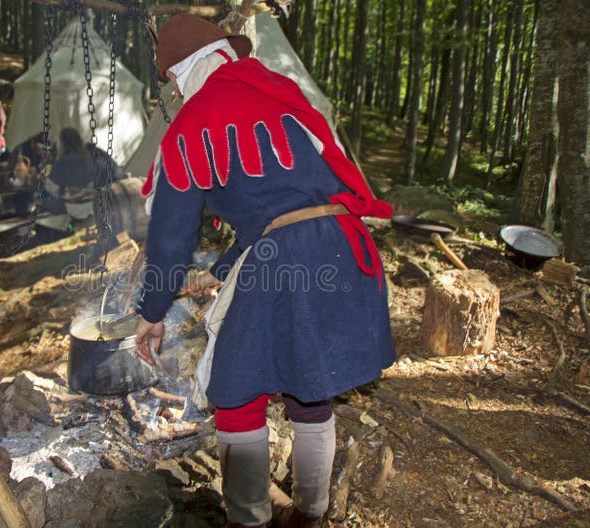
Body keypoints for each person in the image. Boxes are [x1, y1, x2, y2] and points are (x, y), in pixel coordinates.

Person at [133, 14, 395, 528]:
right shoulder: (279, 91)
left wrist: (152, 311)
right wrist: (227, 268)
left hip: (289, 258)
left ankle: (249, 520)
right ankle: (310, 514)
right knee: (310, 386)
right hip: (344, 245)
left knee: (235, 390)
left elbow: (171, 240)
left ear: (182, 72)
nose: (173, 90)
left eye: (170, 80)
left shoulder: (193, 122)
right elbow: (283, 202)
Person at [42, 127, 123, 217]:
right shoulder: (93, 154)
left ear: (62, 144)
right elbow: (112, 170)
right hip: (100, 203)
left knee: (45, 203)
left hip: (75, 209)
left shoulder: (61, 164)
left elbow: (50, 187)